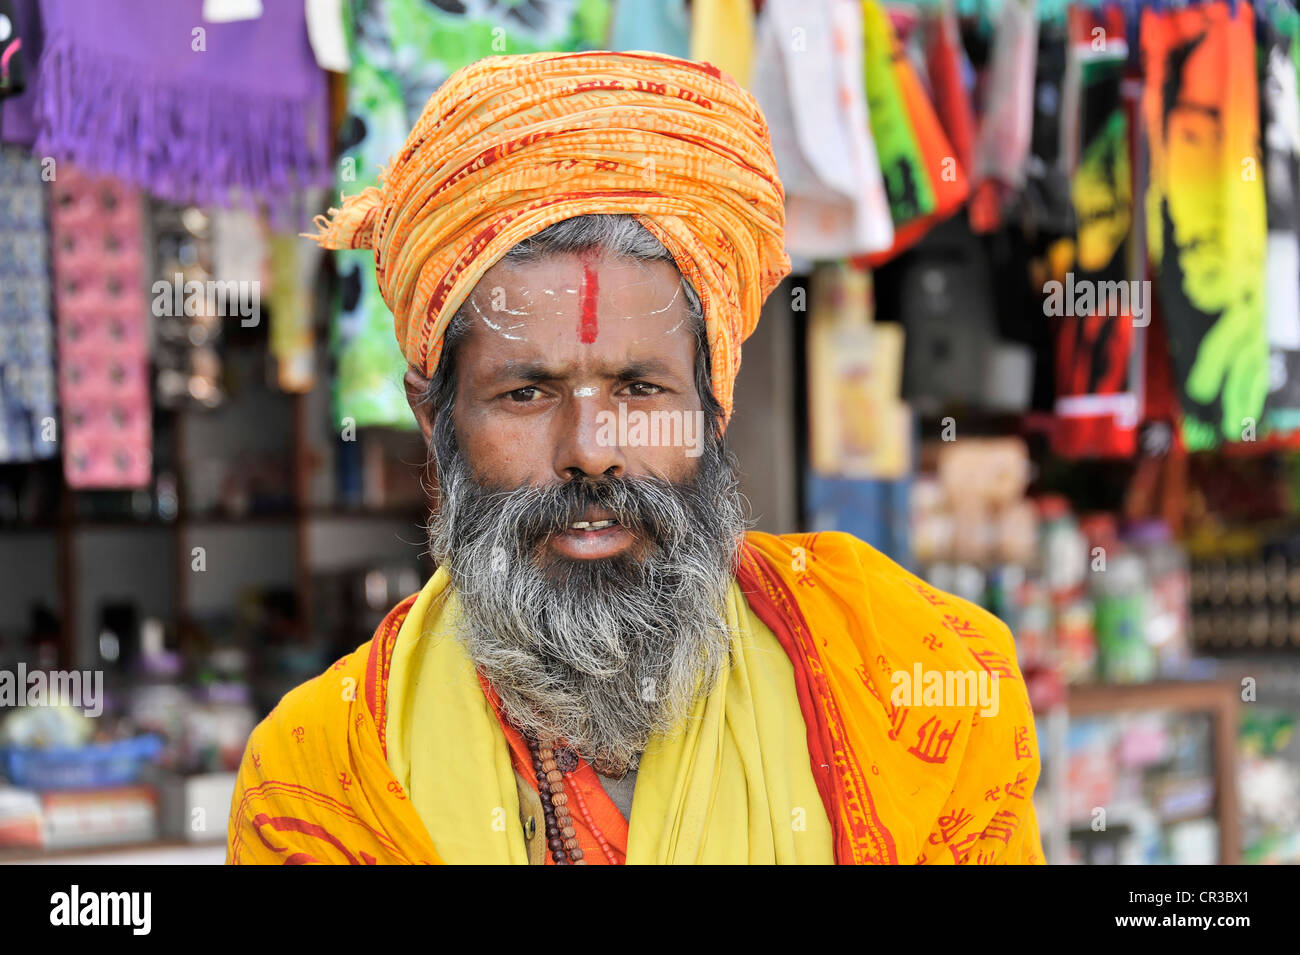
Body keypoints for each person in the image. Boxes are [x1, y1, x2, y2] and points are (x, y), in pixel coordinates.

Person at [226, 50, 1045, 865]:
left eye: (641, 388)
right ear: (433, 413)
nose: (591, 451)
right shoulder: (319, 784)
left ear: (712, 401)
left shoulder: (908, 680)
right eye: (527, 393)